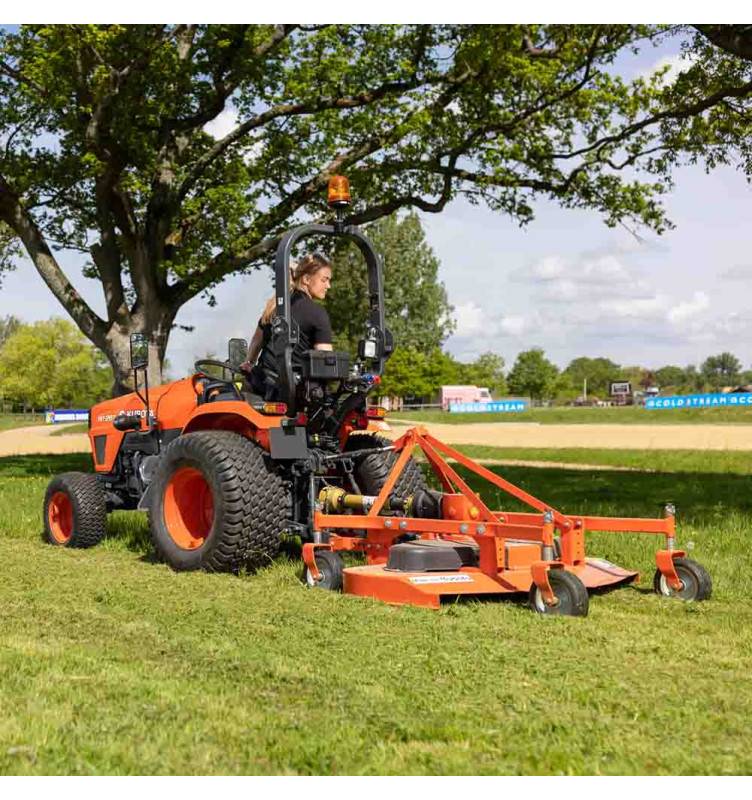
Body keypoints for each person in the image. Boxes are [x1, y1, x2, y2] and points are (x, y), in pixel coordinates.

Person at [241, 254, 334, 399]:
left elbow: (256, 341)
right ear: (307, 279)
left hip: (261, 386)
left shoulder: (274, 307)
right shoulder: (317, 313)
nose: (328, 286)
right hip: (293, 394)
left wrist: (249, 362)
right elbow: (326, 360)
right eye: (324, 280)